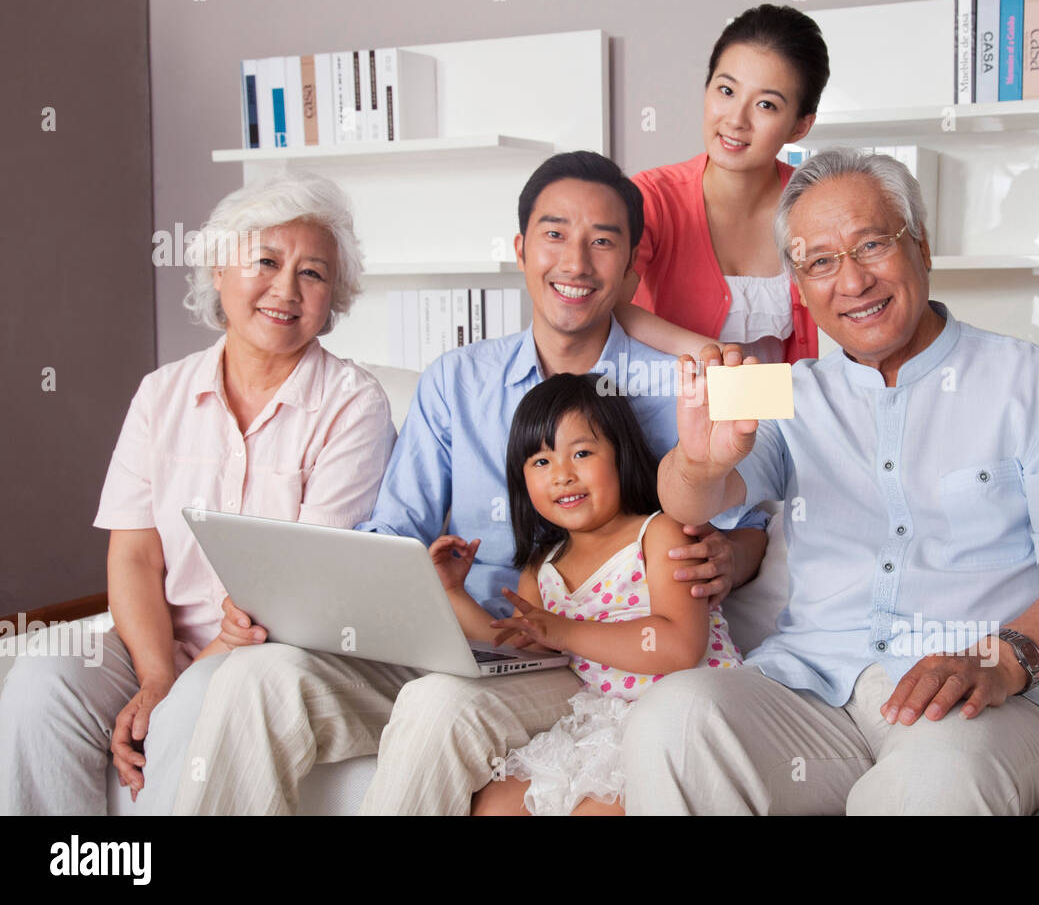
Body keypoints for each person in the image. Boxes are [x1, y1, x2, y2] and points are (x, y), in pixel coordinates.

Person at [172, 151, 767, 815]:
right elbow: (392, 533)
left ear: (631, 267)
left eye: (603, 241)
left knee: (441, 703)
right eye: (554, 234)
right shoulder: (457, 380)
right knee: (260, 676)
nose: (574, 262)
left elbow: (745, 524)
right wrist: (336, 592)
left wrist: (733, 554)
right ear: (520, 249)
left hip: (562, 663)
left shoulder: (673, 386)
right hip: (449, 636)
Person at [626, 147, 1039, 815]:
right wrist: (699, 463)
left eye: (871, 245)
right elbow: (692, 501)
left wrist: (1001, 660)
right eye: (820, 262)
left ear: (921, 246)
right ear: (800, 286)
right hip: (813, 688)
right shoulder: (788, 391)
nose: (852, 281)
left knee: (932, 783)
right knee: (671, 719)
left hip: (981, 695)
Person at [0, 171, 394, 814]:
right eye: (265, 261)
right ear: (219, 269)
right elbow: (134, 555)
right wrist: (156, 673)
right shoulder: (162, 393)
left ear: (334, 297)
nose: (285, 289)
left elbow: (298, 583)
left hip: (268, 649)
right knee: (44, 677)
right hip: (155, 638)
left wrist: (182, 681)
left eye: (313, 273)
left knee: (196, 708)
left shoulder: (354, 405)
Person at [430, 373, 743, 815]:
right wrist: (452, 592)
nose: (562, 475)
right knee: (494, 804)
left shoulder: (660, 533)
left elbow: (678, 646)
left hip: (676, 718)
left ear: (621, 455)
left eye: (581, 453)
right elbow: (521, 642)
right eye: (541, 461)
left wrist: (566, 631)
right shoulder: (542, 568)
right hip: (597, 721)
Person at [614, 3, 828, 363]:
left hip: (785, 399)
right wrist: (714, 355)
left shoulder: (815, 203)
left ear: (799, 126)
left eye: (766, 105)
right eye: (726, 91)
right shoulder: (652, 198)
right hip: (666, 396)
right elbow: (611, 306)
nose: (736, 120)